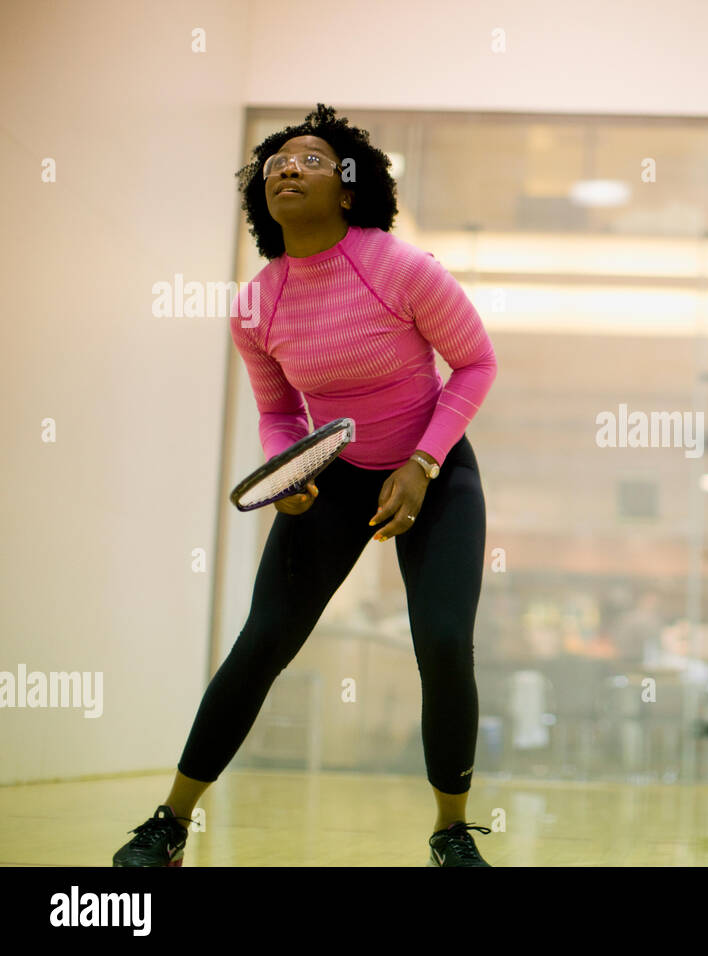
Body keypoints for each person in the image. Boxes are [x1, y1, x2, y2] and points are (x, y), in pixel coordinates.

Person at [113, 104, 497, 867]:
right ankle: (169, 824)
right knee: (261, 643)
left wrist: (421, 464)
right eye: (278, 160)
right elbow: (279, 414)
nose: (288, 166)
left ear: (349, 189)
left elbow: (476, 364)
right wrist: (288, 474)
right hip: (337, 479)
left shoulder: (399, 268)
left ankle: (451, 832)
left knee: (446, 642)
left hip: (434, 471)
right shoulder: (257, 305)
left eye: (312, 158)